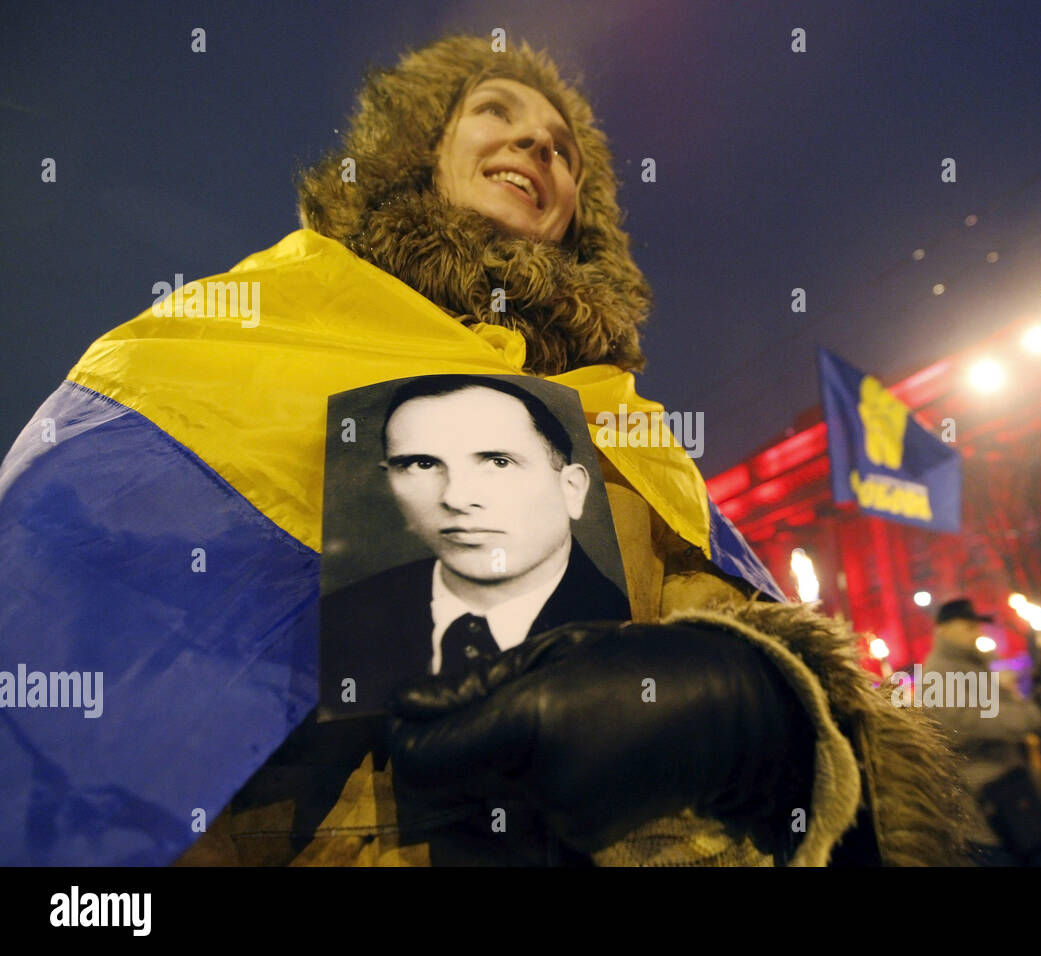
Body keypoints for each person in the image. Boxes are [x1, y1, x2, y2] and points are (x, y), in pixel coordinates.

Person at [0, 35, 976, 866]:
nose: (536, 143)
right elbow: (64, 649)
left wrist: (762, 723)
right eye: (495, 110)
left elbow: (853, 794)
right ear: (411, 151)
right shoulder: (224, 336)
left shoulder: (621, 429)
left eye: (564, 149)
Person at [319, 375, 629, 714]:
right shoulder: (340, 621)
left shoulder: (631, 636)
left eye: (498, 461)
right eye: (421, 464)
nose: (456, 498)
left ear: (572, 489)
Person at [923, 598, 1041, 864]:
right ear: (943, 630)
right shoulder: (938, 672)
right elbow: (965, 722)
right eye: (968, 627)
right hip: (985, 794)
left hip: (1008, 783)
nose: (976, 633)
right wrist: (1032, 714)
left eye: (977, 627)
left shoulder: (975, 664)